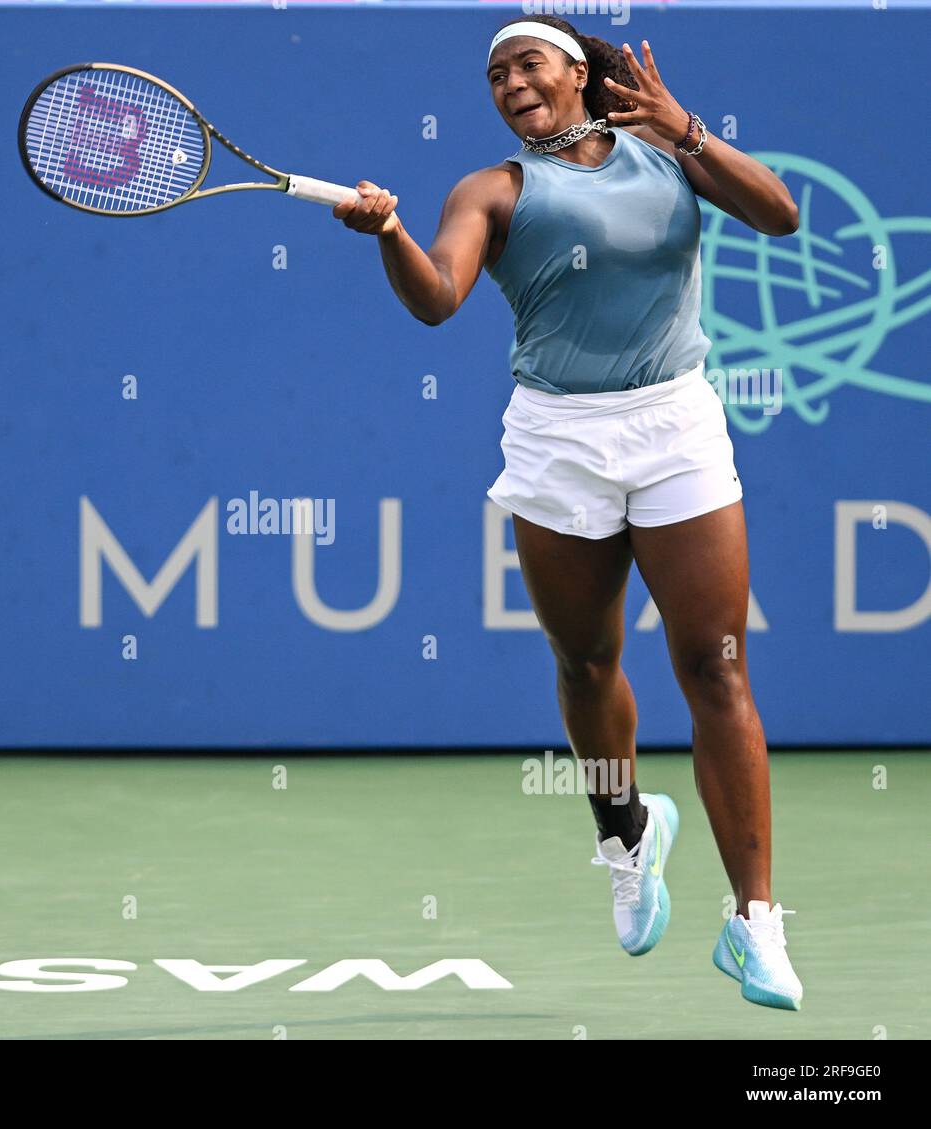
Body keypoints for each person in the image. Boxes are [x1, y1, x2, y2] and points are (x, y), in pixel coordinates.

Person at [333, 15, 803, 1011]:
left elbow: (781, 217)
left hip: (674, 423)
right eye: (495, 74)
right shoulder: (492, 190)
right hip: (558, 441)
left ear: (580, 74)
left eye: (526, 64)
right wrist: (388, 237)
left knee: (714, 667)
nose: (508, 83)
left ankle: (754, 921)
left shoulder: (665, 156)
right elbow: (436, 299)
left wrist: (688, 131)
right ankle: (625, 831)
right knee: (585, 660)